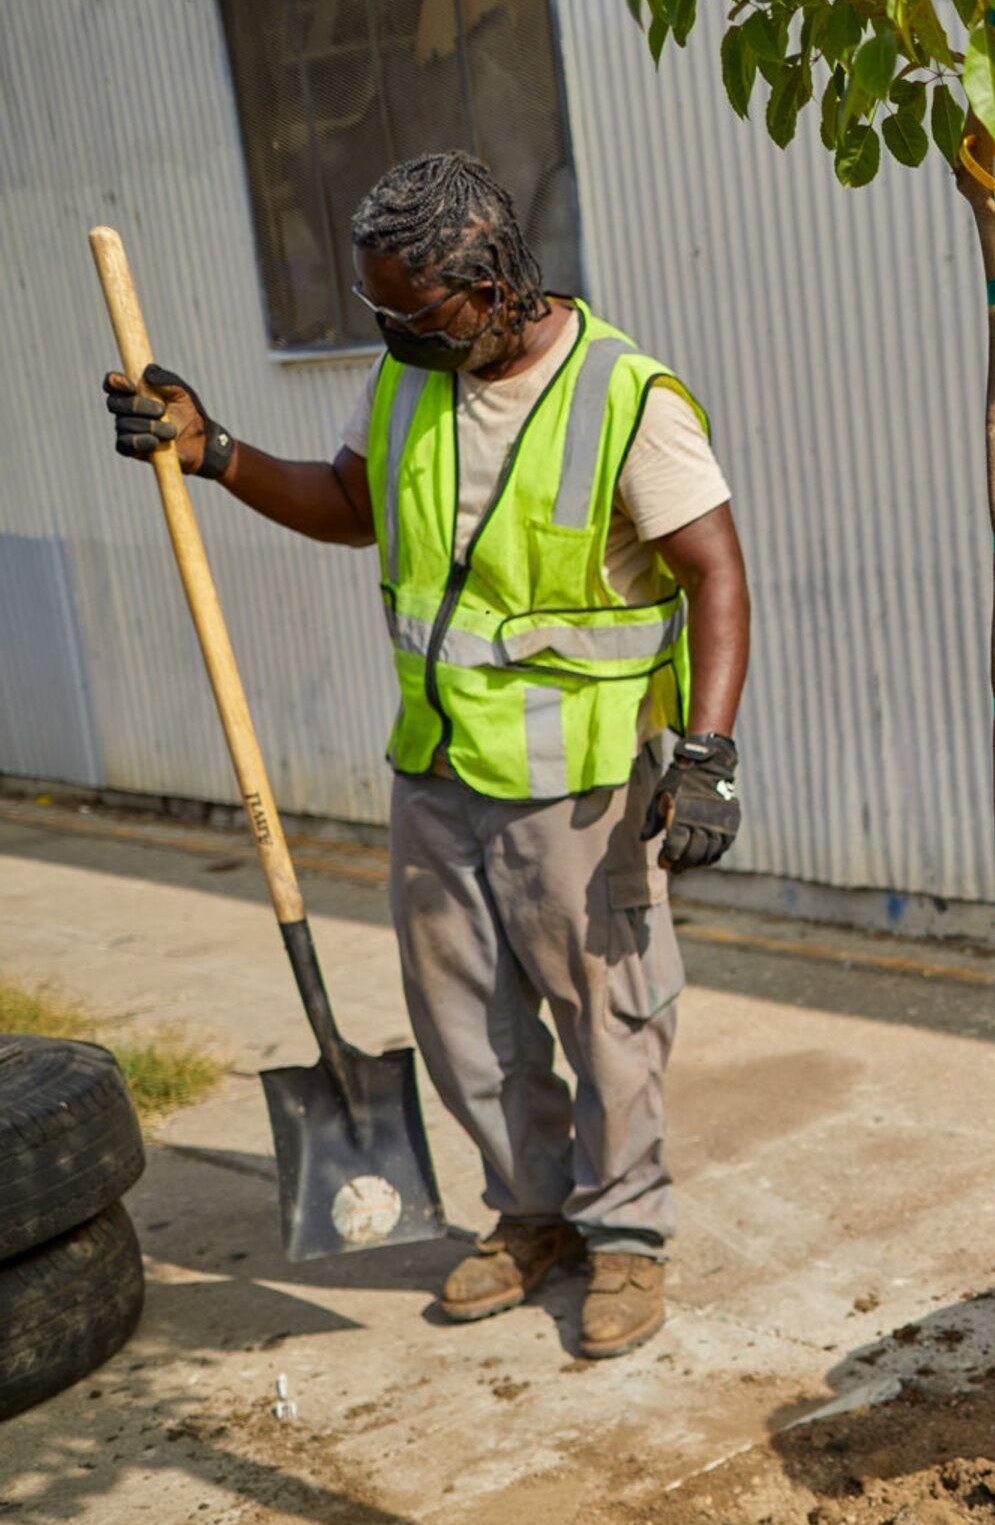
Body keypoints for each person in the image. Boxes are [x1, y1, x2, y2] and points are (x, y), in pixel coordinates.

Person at [102, 151, 751, 1361]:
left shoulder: (625, 395)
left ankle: (626, 1235)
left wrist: (708, 754)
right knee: (463, 1019)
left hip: (579, 784)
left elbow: (715, 571)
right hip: (436, 764)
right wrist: (215, 451)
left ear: (493, 284)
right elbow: (352, 505)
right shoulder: (408, 379)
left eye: (415, 312)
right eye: (379, 309)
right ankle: (532, 1213)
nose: (392, 335)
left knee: (610, 1017)